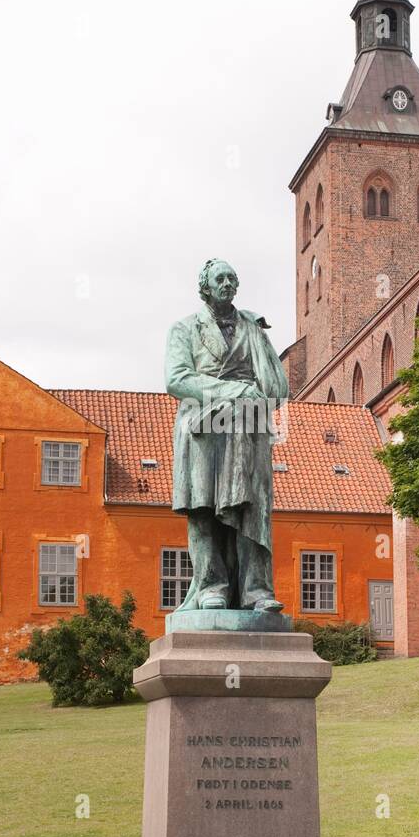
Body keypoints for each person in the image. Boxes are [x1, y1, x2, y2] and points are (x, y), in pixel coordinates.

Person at [165, 258, 289, 611]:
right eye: (220, 278)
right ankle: (211, 587)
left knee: (253, 507)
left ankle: (256, 590)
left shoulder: (252, 328)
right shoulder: (184, 329)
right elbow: (177, 379)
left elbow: (277, 386)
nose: (227, 284)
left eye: (232, 279)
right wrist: (234, 390)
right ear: (205, 286)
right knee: (203, 508)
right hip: (202, 427)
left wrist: (255, 392)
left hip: (248, 424)